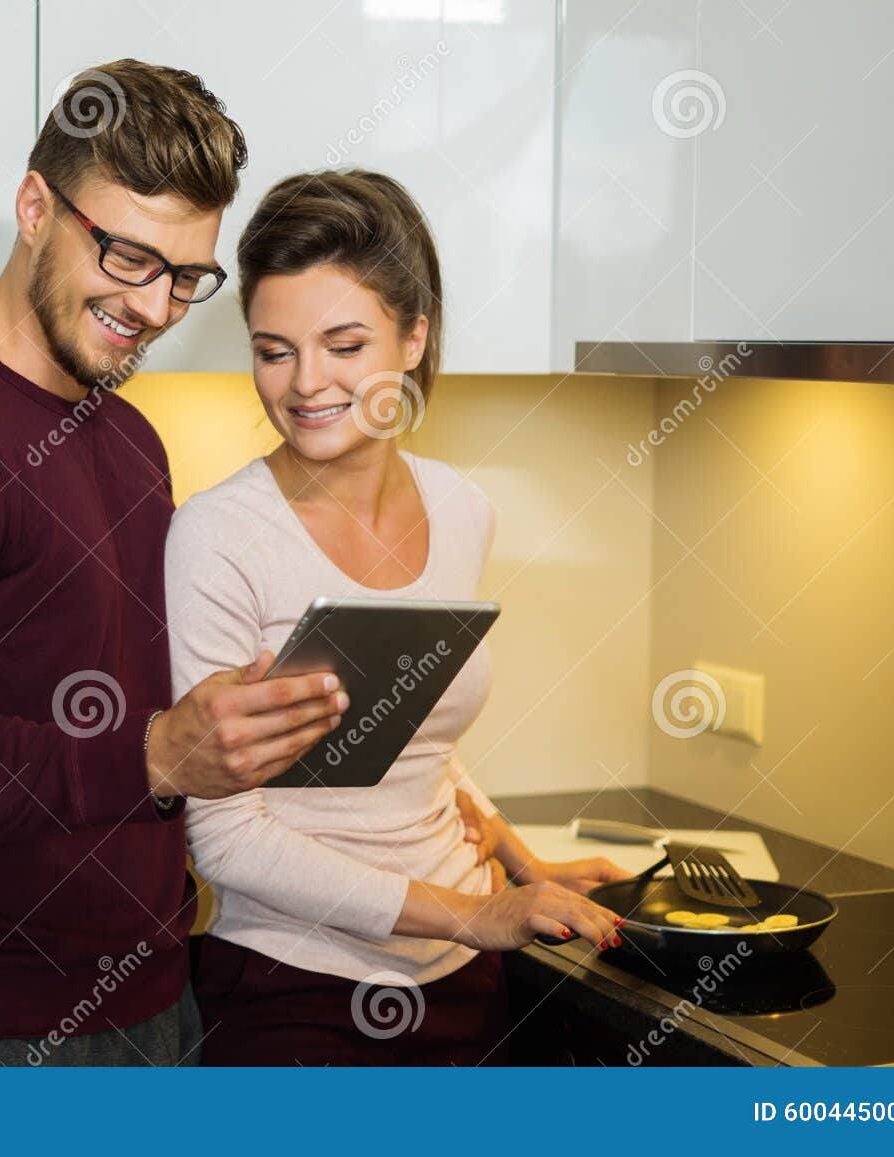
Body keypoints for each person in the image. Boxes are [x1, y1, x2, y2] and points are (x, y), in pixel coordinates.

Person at [0, 60, 348, 1067]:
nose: (154, 307)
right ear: (32, 206)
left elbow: (127, 688)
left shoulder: (128, 438)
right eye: (130, 256)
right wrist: (152, 753)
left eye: (187, 277)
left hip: (150, 1003)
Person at [165, 170, 630, 1066]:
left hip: (463, 974)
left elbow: (418, 736)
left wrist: (526, 868)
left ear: (414, 337)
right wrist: (477, 911)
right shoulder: (217, 535)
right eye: (274, 350)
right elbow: (219, 835)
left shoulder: (462, 509)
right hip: (291, 984)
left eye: (344, 344)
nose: (305, 384)